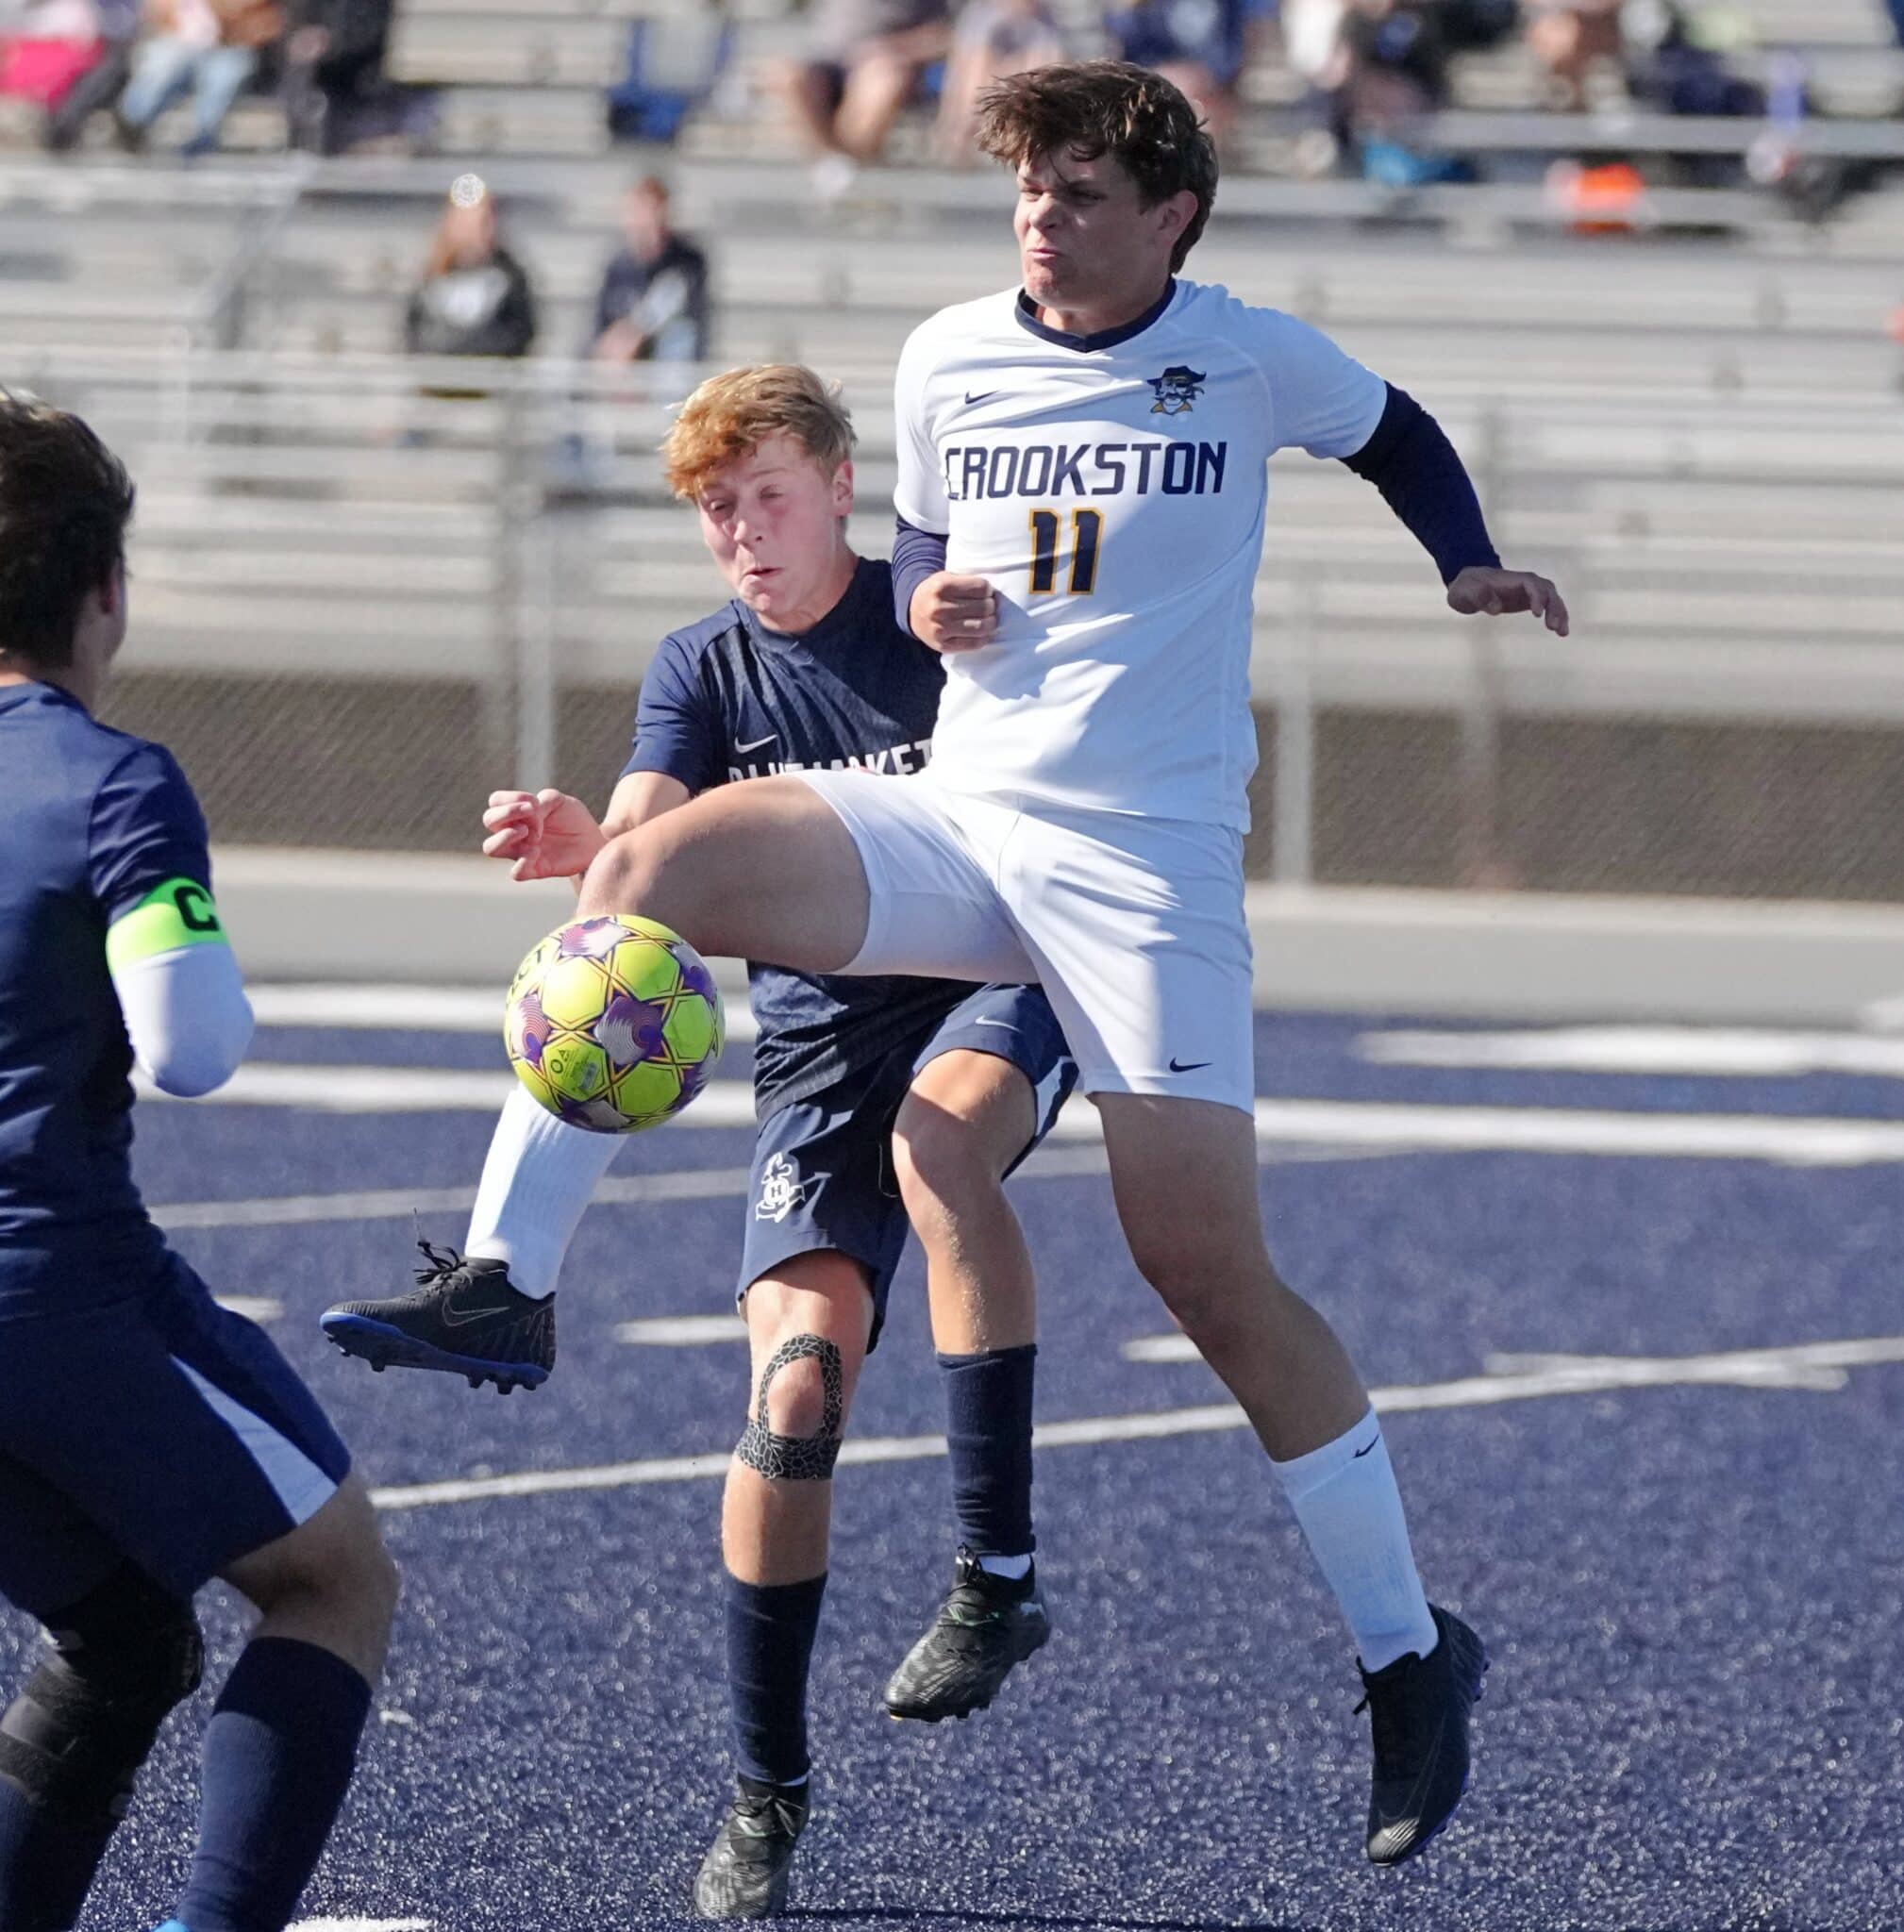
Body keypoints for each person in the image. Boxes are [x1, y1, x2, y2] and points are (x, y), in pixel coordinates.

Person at [566, 59, 1571, 1869]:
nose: (1045, 214)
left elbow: (1396, 430)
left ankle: (1409, 1655)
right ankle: (506, 1262)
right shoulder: (949, 353)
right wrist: (937, 599)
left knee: (1204, 1268)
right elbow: (949, 561)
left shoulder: (1250, 353)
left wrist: (1467, 559)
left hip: (1139, 866)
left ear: (1171, 214)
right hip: (960, 814)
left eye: (1085, 188)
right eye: (1031, 184)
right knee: (648, 866)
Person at [321, 365, 1076, 1920]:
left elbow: (1068, 760)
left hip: (985, 998)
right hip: (810, 1055)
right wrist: (584, 845)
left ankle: (993, 1575)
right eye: (716, 508)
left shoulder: (927, 623)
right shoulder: (703, 665)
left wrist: (1003, 628)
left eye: (767, 495)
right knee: (792, 1397)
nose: (740, 530)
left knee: (940, 1152)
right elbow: (645, 828)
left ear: (842, 486)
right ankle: (764, 1787)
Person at [0, 396, 399, 1932]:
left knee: (117, 1631)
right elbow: (189, 1042)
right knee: (334, 1577)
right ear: (104, 589)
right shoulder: (111, 779)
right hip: (58, 1288)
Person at [774, 0, 954, 192]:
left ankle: (846, 173)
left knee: (885, 79)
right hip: (827, 64)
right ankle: (837, 167)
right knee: (787, 76)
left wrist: (890, 48)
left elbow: (948, 37)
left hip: (884, 64)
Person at [112, 0, 281, 157]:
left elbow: (255, 16)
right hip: (180, 41)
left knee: (224, 75)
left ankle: (203, 135)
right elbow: (156, 12)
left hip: (229, 43)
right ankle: (132, 120)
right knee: (162, 64)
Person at [402, 175, 537, 362]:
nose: (475, 229)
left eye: (483, 221)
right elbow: (413, 330)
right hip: (439, 381)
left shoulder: (510, 277)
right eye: (466, 220)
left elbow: (520, 331)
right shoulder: (430, 275)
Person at [588, 175, 711, 370]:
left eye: (651, 212)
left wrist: (635, 331)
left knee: (679, 335)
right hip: (622, 362)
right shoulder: (617, 265)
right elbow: (599, 323)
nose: (643, 222)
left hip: (665, 356)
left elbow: (687, 314)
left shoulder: (688, 262)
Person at [935, 0, 1065, 163]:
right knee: (976, 72)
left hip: (1025, 48)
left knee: (1040, 73)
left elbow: (1049, 63)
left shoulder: (1043, 21)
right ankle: (960, 136)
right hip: (988, 36)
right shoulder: (982, 16)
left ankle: (1027, 139)